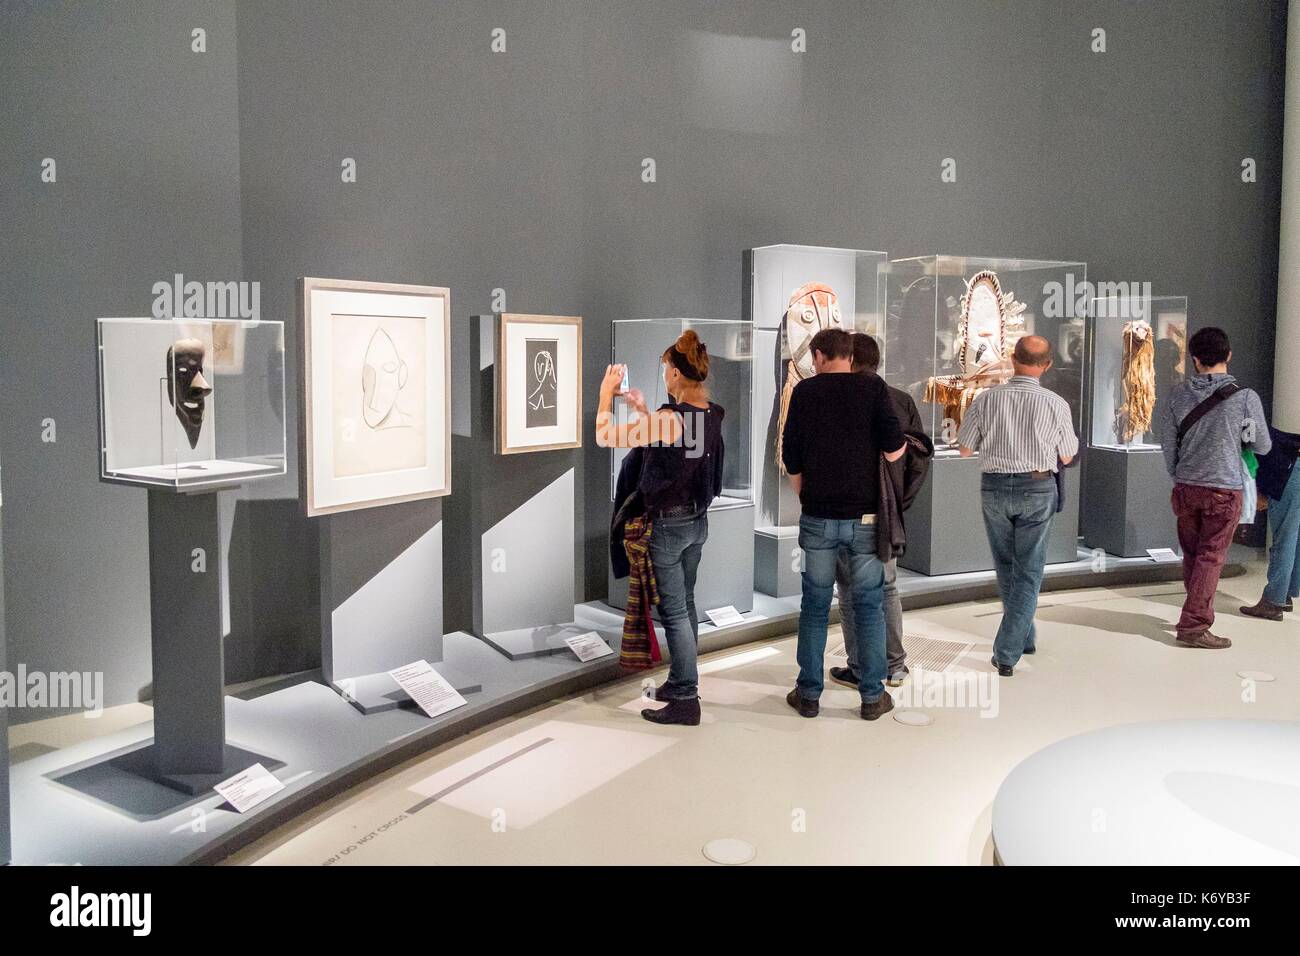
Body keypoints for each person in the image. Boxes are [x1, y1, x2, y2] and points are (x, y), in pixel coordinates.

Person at [598, 330, 725, 725]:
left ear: (673, 374)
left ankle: (686, 698)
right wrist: (643, 410)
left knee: (674, 613)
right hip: (696, 523)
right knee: (685, 606)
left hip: (668, 528)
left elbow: (605, 436)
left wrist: (606, 394)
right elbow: (676, 452)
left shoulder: (671, 419)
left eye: (666, 369)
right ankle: (680, 680)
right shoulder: (710, 413)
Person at [781, 328, 907, 720]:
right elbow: (895, 447)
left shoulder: (804, 393)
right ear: (850, 356)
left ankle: (808, 694)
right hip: (866, 518)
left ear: (818, 356)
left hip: (818, 517)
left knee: (815, 607)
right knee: (869, 606)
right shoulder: (872, 390)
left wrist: (809, 497)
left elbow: (792, 458)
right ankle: (872, 696)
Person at [957, 335, 1078, 677]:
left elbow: (965, 448)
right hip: (1038, 487)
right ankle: (1009, 651)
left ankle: (1021, 637)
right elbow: (1068, 455)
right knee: (1029, 570)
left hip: (994, 487)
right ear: (1048, 364)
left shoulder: (987, 399)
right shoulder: (1055, 403)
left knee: (1007, 565)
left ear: (1012, 358)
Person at [1154, 327, 1270, 646]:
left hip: (1187, 486)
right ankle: (1193, 623)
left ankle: (1195, 610)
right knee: (1211, 555)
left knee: (1193, 554)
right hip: (1224, 487)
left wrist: (1178, 474)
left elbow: (1167, 441)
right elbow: (1262, 445)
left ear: (1194, 359)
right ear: (1228, 356)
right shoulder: (1246, 398)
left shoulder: (1177, 394)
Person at [830, 333, 932, 690]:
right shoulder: (901, 400)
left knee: (848, 591)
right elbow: (920, 461)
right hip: (886, 514)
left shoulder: (840, 398)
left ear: (849, 359)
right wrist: (898, 502)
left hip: (848, 511)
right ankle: (895, 665)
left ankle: (859, 665)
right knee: (886, 588)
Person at [1241, 426, 1300, 620]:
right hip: (1292, 462)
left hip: (1288, 469)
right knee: (1294, 537)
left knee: (1285, 538)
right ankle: (1286, 594)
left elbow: (1249, 460)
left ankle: (1273, 602)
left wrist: (1260, 492)